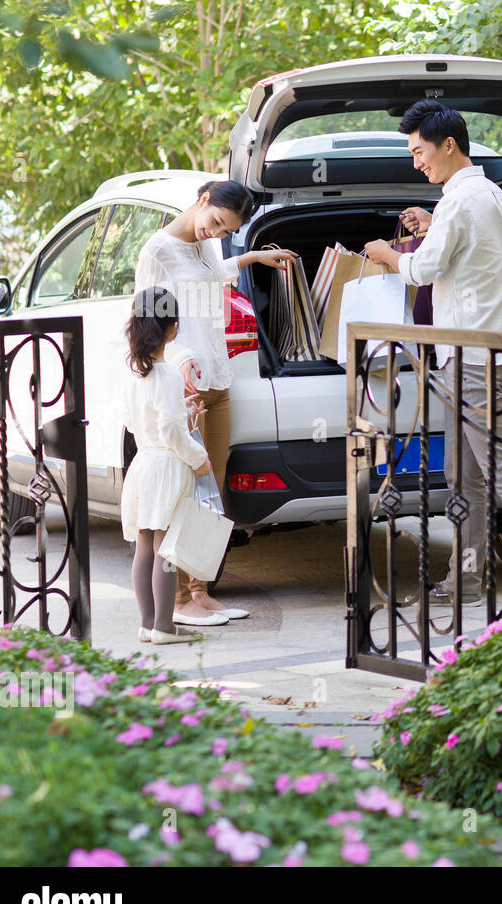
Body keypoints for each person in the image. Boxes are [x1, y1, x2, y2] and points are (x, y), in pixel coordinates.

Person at [364, 98, 502, 612]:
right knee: (464, 476)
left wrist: (387, 255)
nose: (416, 161)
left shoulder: (461, 201)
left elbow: (423, 270)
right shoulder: (483, 194)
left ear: (449, 145)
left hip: (472, 358)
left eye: (419, 151)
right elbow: (461, 257)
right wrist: (431, 225)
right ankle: (467, 580)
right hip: (472, 355)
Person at [135, 180, 297, 626]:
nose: (217, 233)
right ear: (201, 199)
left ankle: (200, 591)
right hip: (185, 387)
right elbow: (144, 323)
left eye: (228, 231)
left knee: (212, 491)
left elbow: (207, 282)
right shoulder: (158, 251)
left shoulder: (207, 248)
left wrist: (250, 258)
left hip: (218, 380)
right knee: (186, 492)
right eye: (216, 223)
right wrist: (181, 364)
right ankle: (181, 601)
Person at [120, 287, 212, 645]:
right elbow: (172, 432)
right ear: (172, 329)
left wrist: (184, 412)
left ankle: (147, 624)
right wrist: (199, 459)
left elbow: (137, 423)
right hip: (168, 468)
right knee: (167, 549)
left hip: (143, 464)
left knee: (145, 547)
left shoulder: (132, 374)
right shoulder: (170, 374)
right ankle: (165, 627)